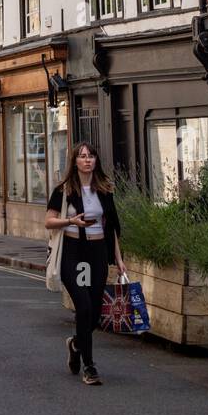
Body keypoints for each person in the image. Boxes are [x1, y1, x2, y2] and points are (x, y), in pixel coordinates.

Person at [45, 141, 124, 386]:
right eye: (82, 156)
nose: (87, 160)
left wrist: (119, 260)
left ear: (96, 161)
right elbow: (49, 221)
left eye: (91, 156)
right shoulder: (64, 189)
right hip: (74, 253)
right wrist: (71, 221)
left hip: (98, 252)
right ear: (75, 162)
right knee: (84, 307)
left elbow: (111, 228)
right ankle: (89, 367)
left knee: (96, 312)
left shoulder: (105, 188)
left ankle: (76, 343)